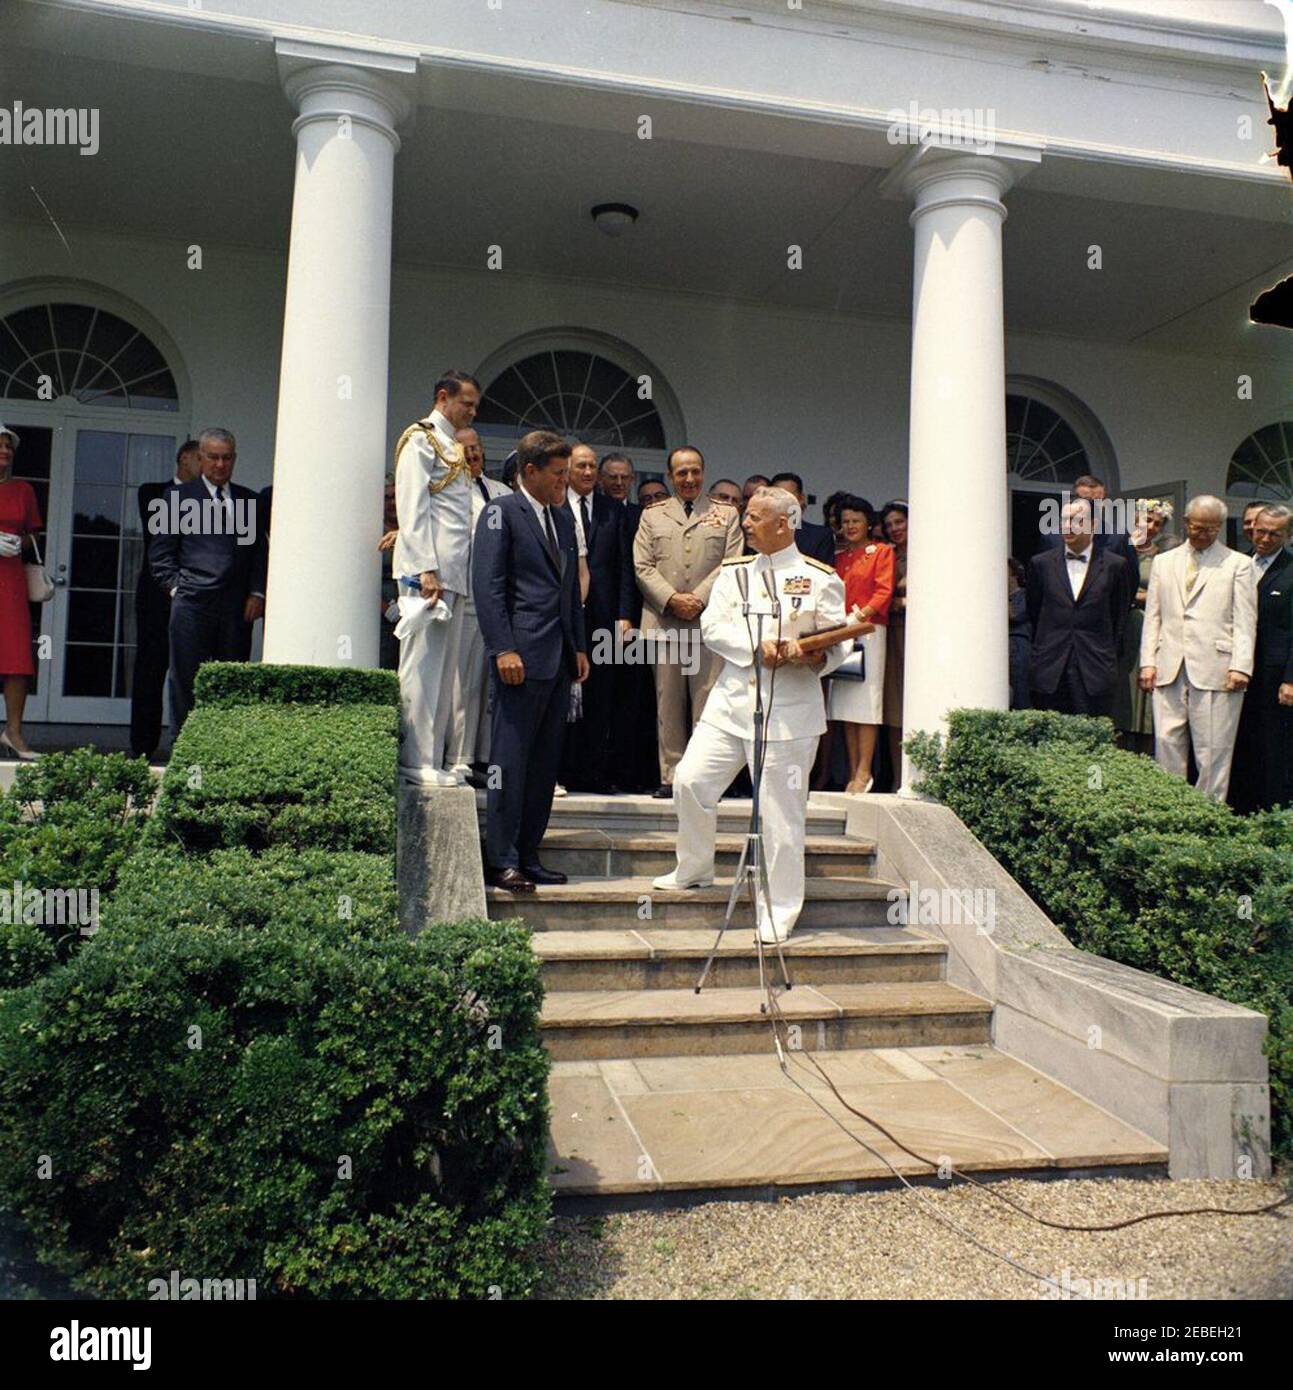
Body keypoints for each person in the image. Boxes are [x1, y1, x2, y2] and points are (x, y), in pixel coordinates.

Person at [652, 486, 847, 943]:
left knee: (780, 815)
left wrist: (811, 658)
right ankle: (694, 867)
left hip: (789, 716)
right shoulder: (735, 571)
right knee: (691, 781)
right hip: (732, 703)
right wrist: (757, 649)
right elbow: (713, 627)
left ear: (784, 523)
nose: (745, 524)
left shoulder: (820, 577)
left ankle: (779, 909)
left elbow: (838, 645)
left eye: (755, 517)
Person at [472, 431, 589, 892]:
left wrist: (579, 646)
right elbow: (488, 586)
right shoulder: (500, 514)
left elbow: (568, 593)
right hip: (518, 657)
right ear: (530, 471)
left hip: (557, 659)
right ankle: (501, 858)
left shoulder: (560, 519)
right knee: (509, 761)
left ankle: (528, 853)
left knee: (543, 765)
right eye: (558, 474)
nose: (565, 481)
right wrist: (503, 648)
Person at [633, 446, 743, 797]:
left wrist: (698, 599)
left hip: (708, 623)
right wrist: (672, 599)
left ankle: (704, 776)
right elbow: (642, 566)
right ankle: (673, 776)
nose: (689, 478)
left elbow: (731, 563)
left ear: (704, 472)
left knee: (707, 702)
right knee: (668, 703)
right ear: (670, 476)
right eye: (682, 473)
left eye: (695, 471)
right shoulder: (652, 515)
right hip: (664, 621)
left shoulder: (725, 515)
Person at [392, 369, 480, 786]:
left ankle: (434, 758)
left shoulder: (451, 445)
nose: (472, 412)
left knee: (446, 673)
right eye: (467, 403)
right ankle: (415, 759)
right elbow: (411, 509)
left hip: (454, 572)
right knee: (423, 667)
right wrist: (424, 567)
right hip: (429, 572)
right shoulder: (420, 439)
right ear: (443, 397)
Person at [149, 428, 267, 737]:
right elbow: (161, 554)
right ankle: (184, 748)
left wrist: (257, 592)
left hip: (236, 608)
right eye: (213, 457)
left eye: (226, 458)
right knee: (186, 680)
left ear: (234, 460)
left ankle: (225, 751)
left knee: (232, 682)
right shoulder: (177, 497)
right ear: (200, 459)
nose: (220, 464)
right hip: (192, 604)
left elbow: (258, 553)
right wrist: (178, 589)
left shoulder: (248, 500)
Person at [1139, 495, 1257, 802]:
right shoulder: (1164, 562)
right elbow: (1153, 617)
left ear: (1219, 527)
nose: (1201, 533)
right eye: (1196, 527)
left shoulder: (1238, 565)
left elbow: (1246, 620)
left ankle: (1210, 815)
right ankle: (1170, 809)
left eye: (1209, 528)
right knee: (1166, 742)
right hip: (1169, 664)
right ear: (1186, 523)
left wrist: (1241, 666)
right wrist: (1147, 662)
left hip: (1217, 667)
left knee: (1214, 748)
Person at [561, 442, 635, 793]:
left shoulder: (614, 511)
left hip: (606, 619)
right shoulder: (555, 504)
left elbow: (625, 567)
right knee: (564, 693)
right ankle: (561, 770)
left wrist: (624, 614)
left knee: (601, 698)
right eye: (581, 466)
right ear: (569, 469)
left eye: (592, 466)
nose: (588, 472)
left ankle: (594, 772)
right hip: (564, 618)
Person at [1026, 497, 1132, 717]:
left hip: (1095, 667)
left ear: (1093, 525)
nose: (1068, 526)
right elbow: (1034, 611)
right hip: (1050, 666)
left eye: (1076, 520)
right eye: (1064, 520)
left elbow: (1117, 616)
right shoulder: (1041, 564)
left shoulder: (1115, 565)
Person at [130, 439, 201, 759]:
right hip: (157, 596)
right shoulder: (152, 491)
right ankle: (142, 746)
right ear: (184, 458)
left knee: (189, 670)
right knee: (150, 668)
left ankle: (187, 744)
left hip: (196, 596)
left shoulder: (212, 499)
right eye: (201, 458)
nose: (207, 466)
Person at [447, 427, 509, 784]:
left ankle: (486, 759)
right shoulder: (449, 489)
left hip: (496, 598)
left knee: (492, 683)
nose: (472, 455)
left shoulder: (499, 491)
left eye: (477, 449)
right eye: (465, 449)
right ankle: (459, 757)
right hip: (464, 596)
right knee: (463, 682)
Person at [827, 495, 894, 794]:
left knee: (866, 705)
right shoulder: (840, 558)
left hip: (868, 630)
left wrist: (859, 616)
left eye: (856, 521)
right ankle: (853, 770)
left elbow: (883, 591)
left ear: (869, 522)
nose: (850, 526)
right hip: (842, 633)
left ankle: (865, 771)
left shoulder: (881, 552)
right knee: (845, 706)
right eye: (845, 522)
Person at [1230, 504, 1293, 812]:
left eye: (1274, 534)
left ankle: (1272, 812)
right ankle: (1239, 807)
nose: (1265, 538)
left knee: (1272, 746)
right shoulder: (1237, 564)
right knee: (1239, 742)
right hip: (1237, 672)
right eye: (1260, 531)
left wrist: (1290, 680)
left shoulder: (1291, 570)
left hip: (1274, 675)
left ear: (1288, 536)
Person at [1113, 498, 1178, 751]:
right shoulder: (1118, 548)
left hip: (1150, 626)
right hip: (1123, 626)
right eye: (1146, 519)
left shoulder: (1164, 557)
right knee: (1122, 685)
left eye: (1157, 524)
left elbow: (1169, 592)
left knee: (1148, 682)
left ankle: (1146, 742)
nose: (1150, 526)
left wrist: (1139, 596)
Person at [0, 424, 43, 761]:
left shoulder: (23, 490)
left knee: (16, 656)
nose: (5, 452)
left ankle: (13, 732)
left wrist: (20, 542)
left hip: (11, 579)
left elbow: (33, 535)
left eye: (8, 447)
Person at [1042, 473, 1139, 597]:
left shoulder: (1118, 537)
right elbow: (1041, 582)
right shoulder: (1052, 537)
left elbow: (1130, 581)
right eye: (1089, 501)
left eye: (1100, 501)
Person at [879, 500, 909, 789]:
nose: (894, 529)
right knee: (892, 709)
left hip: (916, 638)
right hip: (891, 636)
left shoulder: (928, 553)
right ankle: (896, 779)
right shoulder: (887, 554)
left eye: (899, 522)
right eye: (889, 525)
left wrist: (897, 602)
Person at [769, 471, 837, 566]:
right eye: (777, 497)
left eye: (789, 496)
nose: (783, 502)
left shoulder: (819, 536)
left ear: (801, 499)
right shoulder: (761, 534)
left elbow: (824, 575)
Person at [1007, 558, 1032, 710]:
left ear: (1014, 576)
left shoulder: (1024, 595)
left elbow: (1014, 615)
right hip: (1005, 646)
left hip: (1018, 644)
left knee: (1020, 691)